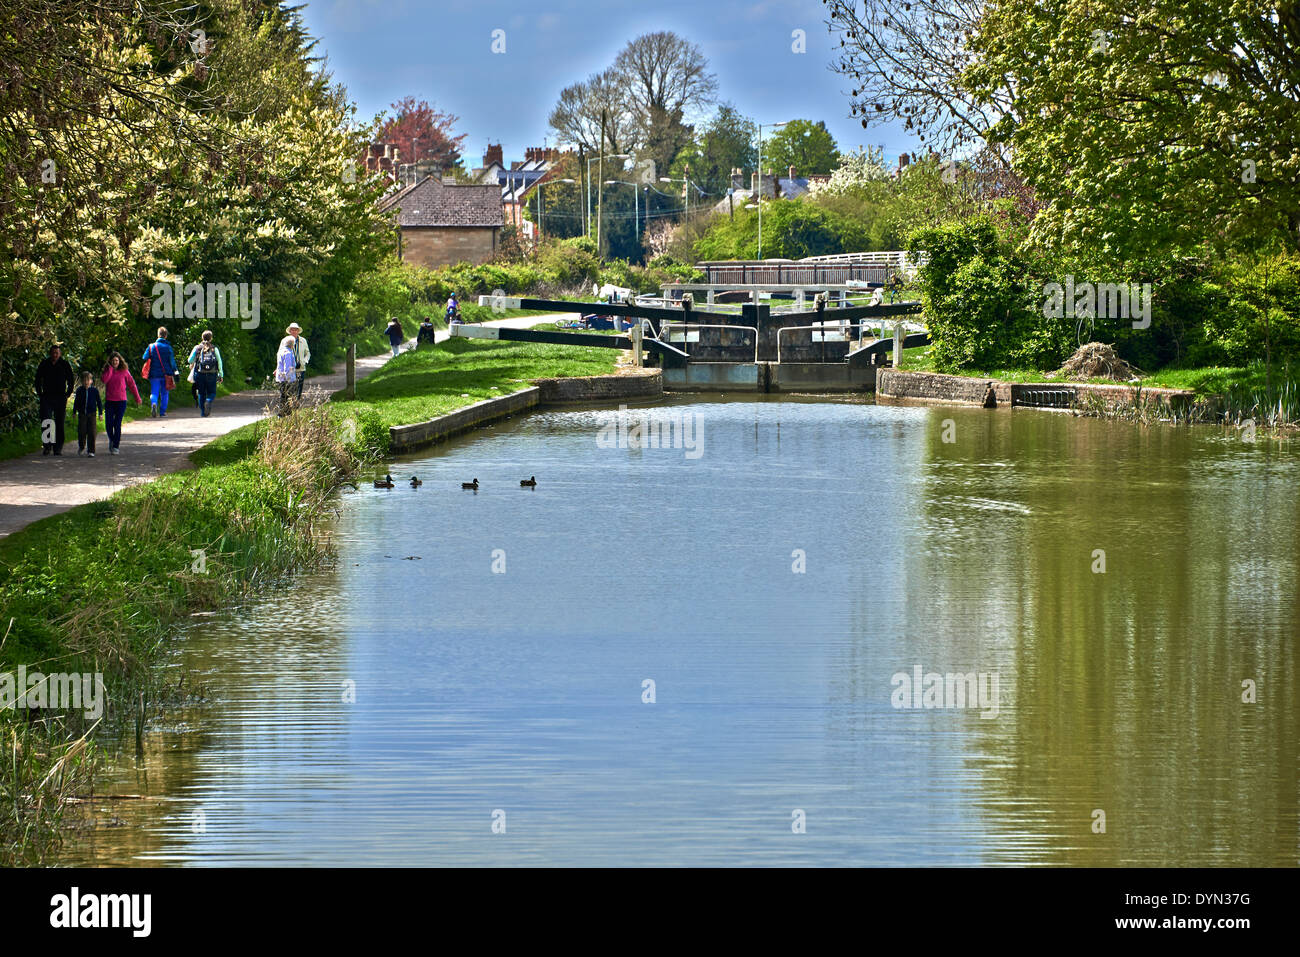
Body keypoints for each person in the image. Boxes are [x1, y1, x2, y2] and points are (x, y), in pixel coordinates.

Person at [34, 343, 75, 455]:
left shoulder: (64, 364)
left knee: (59, 422)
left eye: (57, 353)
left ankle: (58, 447)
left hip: (60, 397)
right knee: (46, 421)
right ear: (50, 353)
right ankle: (47, 446)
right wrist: (40, 393)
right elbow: (38, 379)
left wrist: (68, 393)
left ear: (60, 354)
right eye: (53, 353)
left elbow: (71, 379)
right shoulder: (44, 364)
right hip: (46, 397)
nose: (55, 355)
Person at [100, 351, 141, 455]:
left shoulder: (124, 371)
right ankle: (112, 440)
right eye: (113, 361)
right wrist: (109, 369)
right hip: (110, 401)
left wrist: (137, 398)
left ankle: (115, 446)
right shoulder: (107, 371)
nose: (115, 362)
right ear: (110, 361)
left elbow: (132, 384)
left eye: (117, 360)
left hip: (121, 401)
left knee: (117, 424)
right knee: (109, 424)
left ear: (120, 361)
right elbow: (104, 380)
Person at [141, 326, 179, 417]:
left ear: (158, 335)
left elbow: (144, 357)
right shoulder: (168, 347)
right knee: (165, 393)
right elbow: (172, 362)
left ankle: (154, 403)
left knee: (154, 392)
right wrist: (176, 371)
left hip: (154, 374)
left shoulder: (151, 346)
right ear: (165, 336)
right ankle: (162, 412)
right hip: (166, 373)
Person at [187, 330, 223, 417]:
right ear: (211, 338)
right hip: (212, 373)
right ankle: (208, 401)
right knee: (212, 392)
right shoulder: (214, 349)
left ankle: (203, 413)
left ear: (202, 338)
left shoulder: (197, 348)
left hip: (199, 374)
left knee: (201, 393)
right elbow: (219, 362)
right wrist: (221, 375)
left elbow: (190, 360)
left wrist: (195, 359)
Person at [72, 371, 102, 456]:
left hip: (92, 414)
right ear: (82, 381)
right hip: (82, 414)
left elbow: (99, 402)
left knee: (92, 432)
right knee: (82, 432)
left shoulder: (94, 390)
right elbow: (76, 402)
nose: (86, 382)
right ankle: (81, 446)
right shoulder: (79, 390)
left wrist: (100, 413)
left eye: (88, 380)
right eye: (84, 380)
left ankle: (91, 451)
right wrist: (74, 412)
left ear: (91, 381)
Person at [286, 322, 310, 400]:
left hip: (301, 368)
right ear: (290, 331)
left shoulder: (303, 340)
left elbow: (308, 353)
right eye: (292, 330)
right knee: (290, 388)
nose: (294, 331)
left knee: (299, 388)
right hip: (289, 369)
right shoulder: (285, 341)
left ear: (298, 331)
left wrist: (305, 361)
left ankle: (296, 404)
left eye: (295, 330)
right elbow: (281, 353)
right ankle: (289, 405)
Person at [274, 335, 298, 414]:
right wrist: (288, 379)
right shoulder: (288, 353)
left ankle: (283, 412)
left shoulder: (281, 351)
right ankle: (285, 413)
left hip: (280, 378)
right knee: (286, 396)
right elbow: (287, 367)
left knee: (282, 396)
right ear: (292, 344)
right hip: (286, 379)